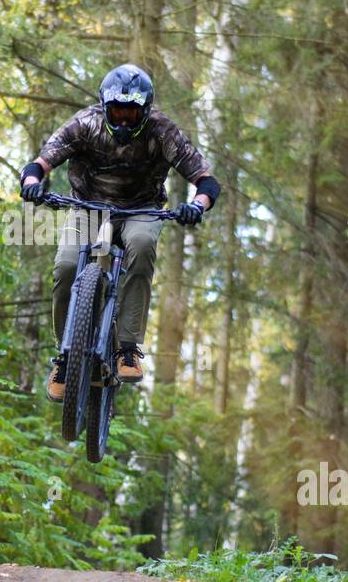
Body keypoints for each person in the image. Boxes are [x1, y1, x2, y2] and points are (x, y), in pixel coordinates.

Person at [18, 63, 221, 401]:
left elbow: (206, 180)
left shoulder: (162, 132)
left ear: (145, 109)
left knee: (141, 246)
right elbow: (40, 163)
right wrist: (32, 184)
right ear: (105, 106)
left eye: (132, 112)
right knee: (67, 266)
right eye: (118, 111)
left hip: (141, 209)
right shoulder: (85, 124)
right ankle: (65, 358)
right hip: (87, 207)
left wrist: (197, 206)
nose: (124, 120)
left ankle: (127, 348)